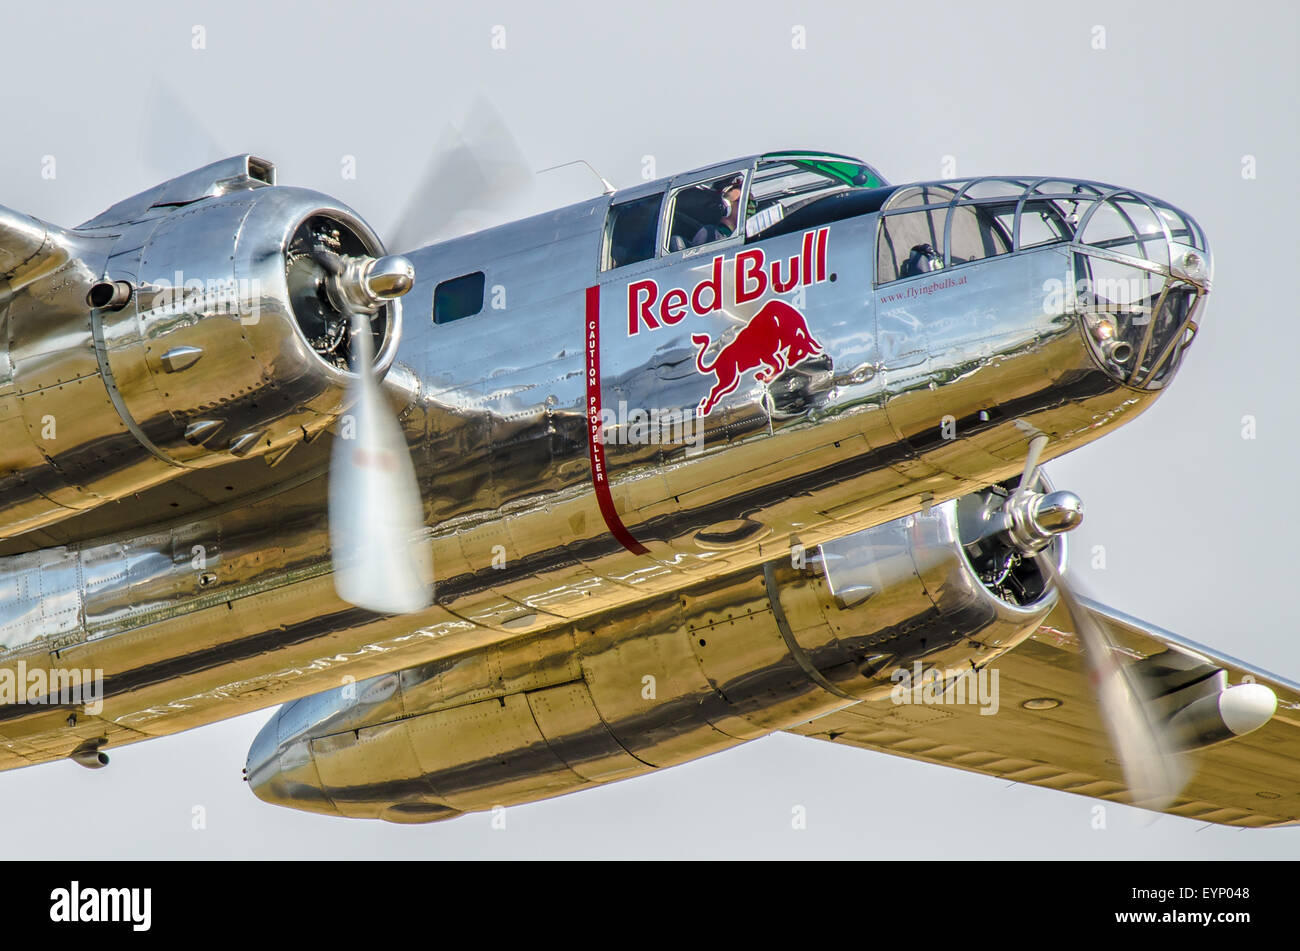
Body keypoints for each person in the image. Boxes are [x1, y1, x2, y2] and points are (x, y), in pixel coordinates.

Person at [690, 176, 744, 247]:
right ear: (726, 206)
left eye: (754, 202)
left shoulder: (744, 234)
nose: (753, 207)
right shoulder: (709, 234)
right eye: (748, 202)